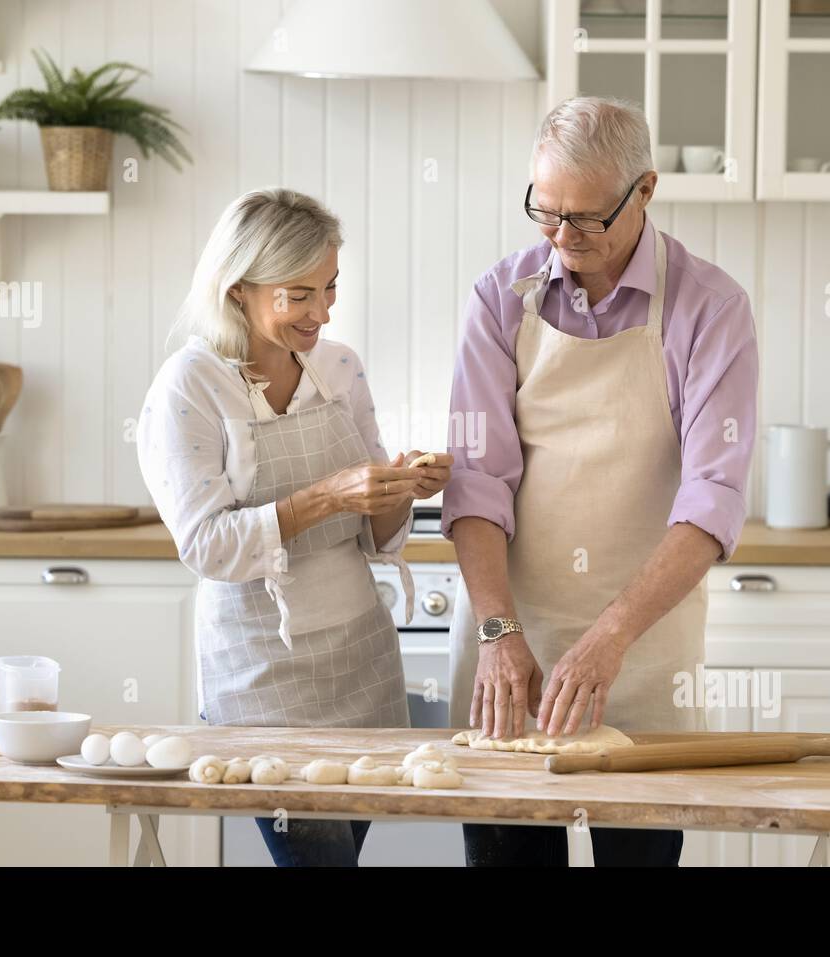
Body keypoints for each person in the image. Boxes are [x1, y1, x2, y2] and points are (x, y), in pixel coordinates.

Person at [443, 97, 759, 867]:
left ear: (645, 191)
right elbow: (476, 478)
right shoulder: (498, 298)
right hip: (506, 636)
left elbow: (712, 498)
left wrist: (610, 637)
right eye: (544, 213)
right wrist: (497, 631)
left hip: (643, 641)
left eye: (585, 219)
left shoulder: (709, 308)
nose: (561, 238)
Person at [138, 188, 451, 866]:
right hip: (259, 678)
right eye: (299, 294)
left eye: (331, 287)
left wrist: (403, 487)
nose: (323, 311)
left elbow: (374, 534)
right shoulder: (190, 387)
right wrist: (330, 494)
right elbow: (207, 545)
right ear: (240, 290)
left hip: (360, 663)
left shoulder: (338, 367)